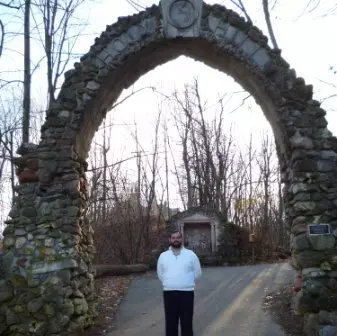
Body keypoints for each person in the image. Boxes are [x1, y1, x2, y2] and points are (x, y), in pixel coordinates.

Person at [157, 230, 202, 336]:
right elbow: (160, 273)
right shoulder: (163, 256)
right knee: (170, 322)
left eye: (178, 237)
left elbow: (198, 272)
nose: (175, 240)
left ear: (181, 239)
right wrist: (170, 282)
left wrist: (186, 282)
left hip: (186, 293)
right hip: (169, 293)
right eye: (173, 238)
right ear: (170, 240)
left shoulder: (191, 255)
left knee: (187, 322)